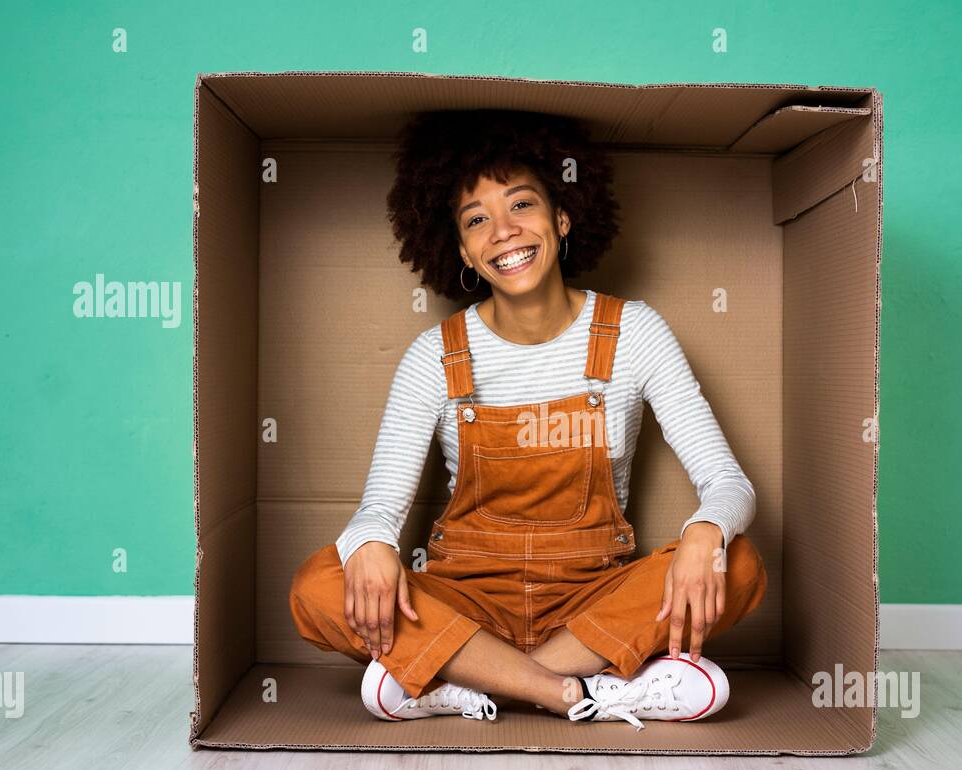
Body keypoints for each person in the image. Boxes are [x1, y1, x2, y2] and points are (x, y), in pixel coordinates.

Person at [289, 109, 767, 731]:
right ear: (461, 248)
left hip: (589, 603)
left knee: (742, 564)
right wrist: (371, 543)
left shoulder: (635, 333)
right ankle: (579, 692)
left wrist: (707, 530)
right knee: (317, 585)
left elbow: (729, 485)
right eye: (477, 219)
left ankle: (457, 682)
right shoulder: (433, 356)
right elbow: (377, 509)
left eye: (521, 205)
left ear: (561, 217)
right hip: (465, 602)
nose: (504, 232)